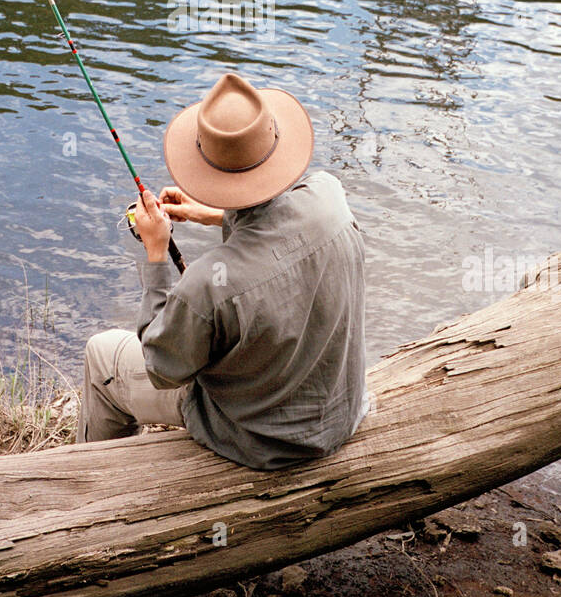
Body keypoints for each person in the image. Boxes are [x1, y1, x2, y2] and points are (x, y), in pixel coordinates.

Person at [76, 71, 369, 470]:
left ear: (206, 167)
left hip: (261, 442)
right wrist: (213, 215)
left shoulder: (208, 284)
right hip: (341, 417)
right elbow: (280, 232)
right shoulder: (330, 197)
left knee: (100, 356)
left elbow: (162, 368)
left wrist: (157, 254)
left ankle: (88, 482)